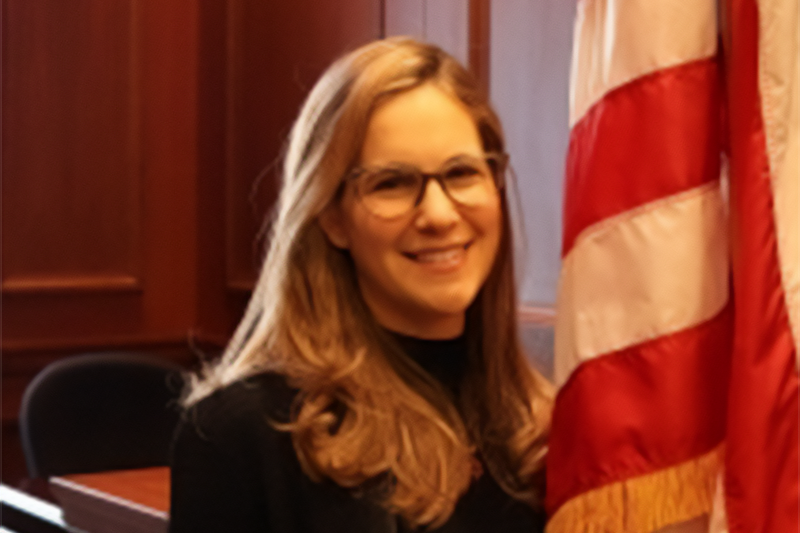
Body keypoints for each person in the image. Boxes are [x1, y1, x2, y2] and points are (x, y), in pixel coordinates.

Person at [169, 37, 552, 533]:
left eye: (461, 173)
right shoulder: (243, 432)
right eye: (391, 183)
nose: (438, 214)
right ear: (331, 217)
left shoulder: (537, 426)